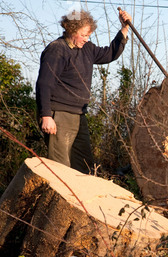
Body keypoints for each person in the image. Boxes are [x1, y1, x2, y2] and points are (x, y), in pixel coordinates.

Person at [36, 9, 132, 174]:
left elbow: (109, 54)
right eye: (83, 35)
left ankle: (80, 200)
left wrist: (124, 29)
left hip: (79, 115)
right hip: (59, 115)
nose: (86, 39)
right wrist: (46, 116)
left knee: (84, 166)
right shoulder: (57, 50)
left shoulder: (87, 48)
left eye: (88, 35)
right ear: (72, 30)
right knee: (61, 168)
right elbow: (44, 84)